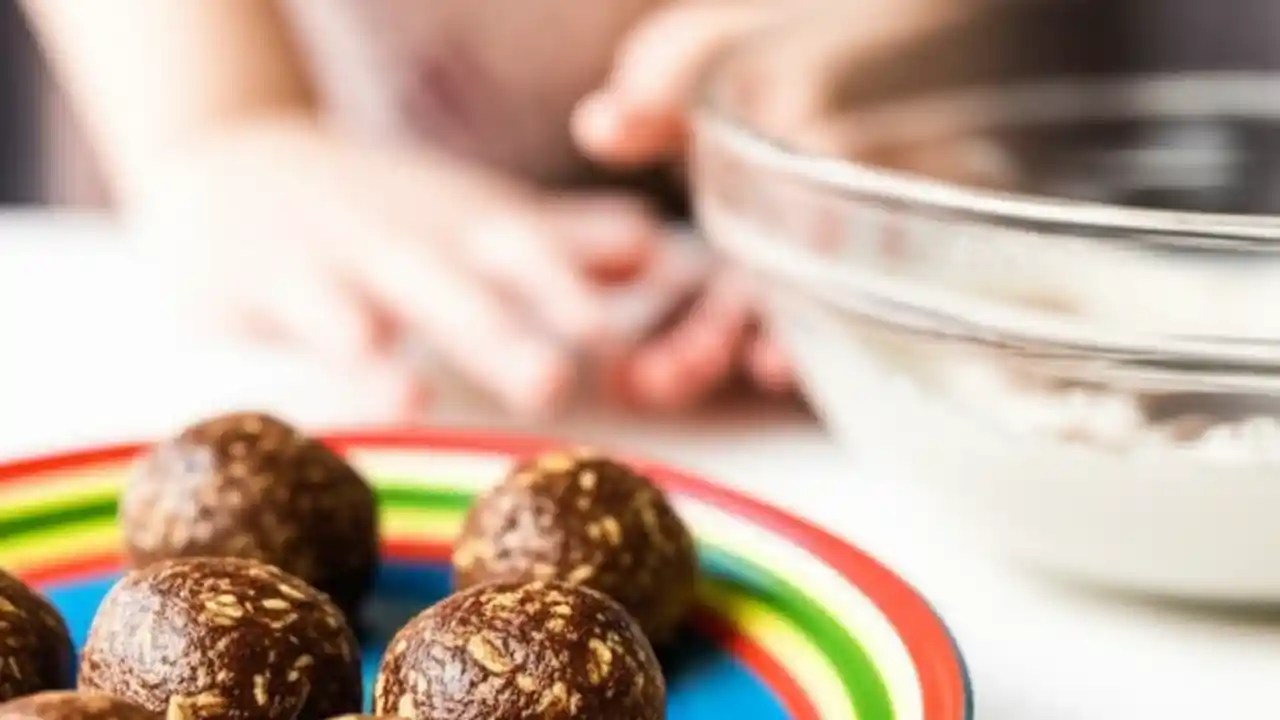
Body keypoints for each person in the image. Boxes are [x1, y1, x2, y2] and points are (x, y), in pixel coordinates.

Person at [19, 0, 954, 418]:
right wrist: (224, 131)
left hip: (752, 322)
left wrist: (879, 50)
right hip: (270, 283)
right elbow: (212, 150)